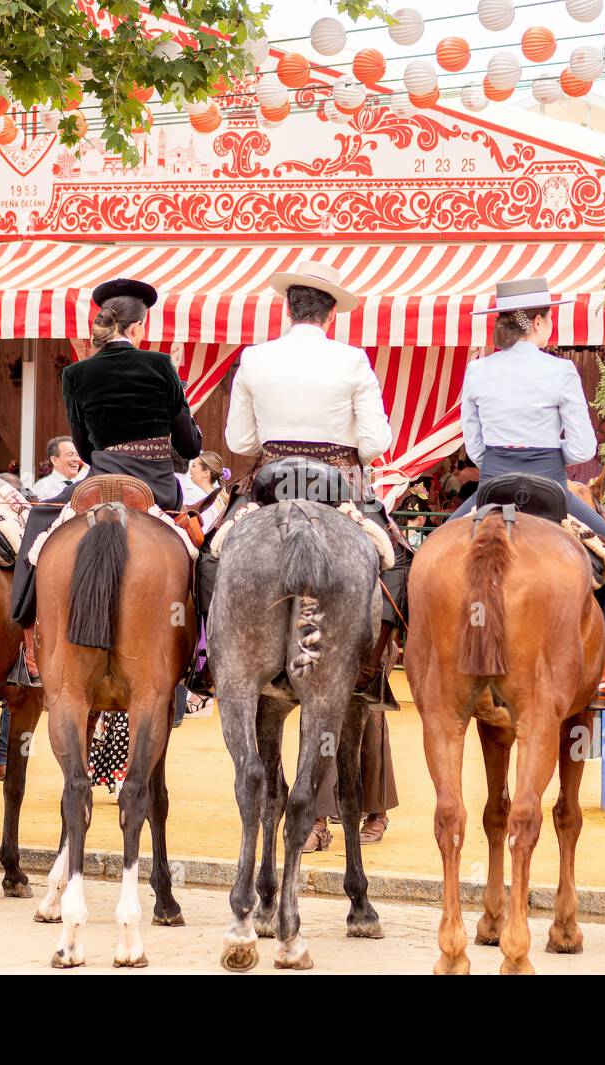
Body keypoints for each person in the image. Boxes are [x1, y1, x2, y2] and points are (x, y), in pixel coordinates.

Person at [214, 259, 401, 852]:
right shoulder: (351, 360)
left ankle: (208, 663)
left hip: (267, 488)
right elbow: (377, 442)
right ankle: (373, 668)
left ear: (288, 307)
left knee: (209, 560)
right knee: (394, 565)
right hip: (339, 490)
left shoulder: (255, 357)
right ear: (329, 312)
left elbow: (240, 443)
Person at [450, 276, 605, 711]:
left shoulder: (478, 370)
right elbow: (582, 449)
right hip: (550, 490)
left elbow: (476, 448)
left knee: (424, 562)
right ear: (538, 323)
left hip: (490, 490)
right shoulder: (559, 371)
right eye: (549, 319)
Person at [8, 277, 203, 684]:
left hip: (97, 481)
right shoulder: (160, 366)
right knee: (207, 552)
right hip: (157, 488)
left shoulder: (76, 374)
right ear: (137, 328)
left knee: (38, 521)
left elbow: (81, 442)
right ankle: (203, 652)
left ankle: (25, 631)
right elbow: (189, 446)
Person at [30, 435, 87, 500]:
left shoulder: (82, 485)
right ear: (54, 460)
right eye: (70, 455)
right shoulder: (43, 487)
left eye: (77, 455)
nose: (76, 459)